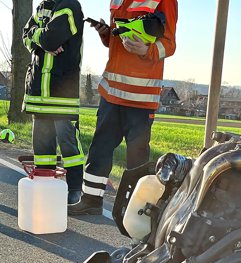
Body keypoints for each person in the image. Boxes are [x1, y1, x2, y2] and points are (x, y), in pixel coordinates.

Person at [69, 0, 177, 216]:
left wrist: (147, 49)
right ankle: (90, 200)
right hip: (111, 93)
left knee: (137, 157)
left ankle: (135, 210)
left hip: (141, 98)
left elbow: (169, 44)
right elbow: (117, 41)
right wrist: (106, 34)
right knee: (99, 149)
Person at [21, 0, 85, 205]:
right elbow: (25, 35)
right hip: (39, 94)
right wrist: (39, 36)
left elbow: (50, 40)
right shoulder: (42, 7)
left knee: (69, 145)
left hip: (62, 94)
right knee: (42, 148)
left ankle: (75, 189)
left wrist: (38, 38)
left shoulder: (69, 6)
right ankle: (45, 186)